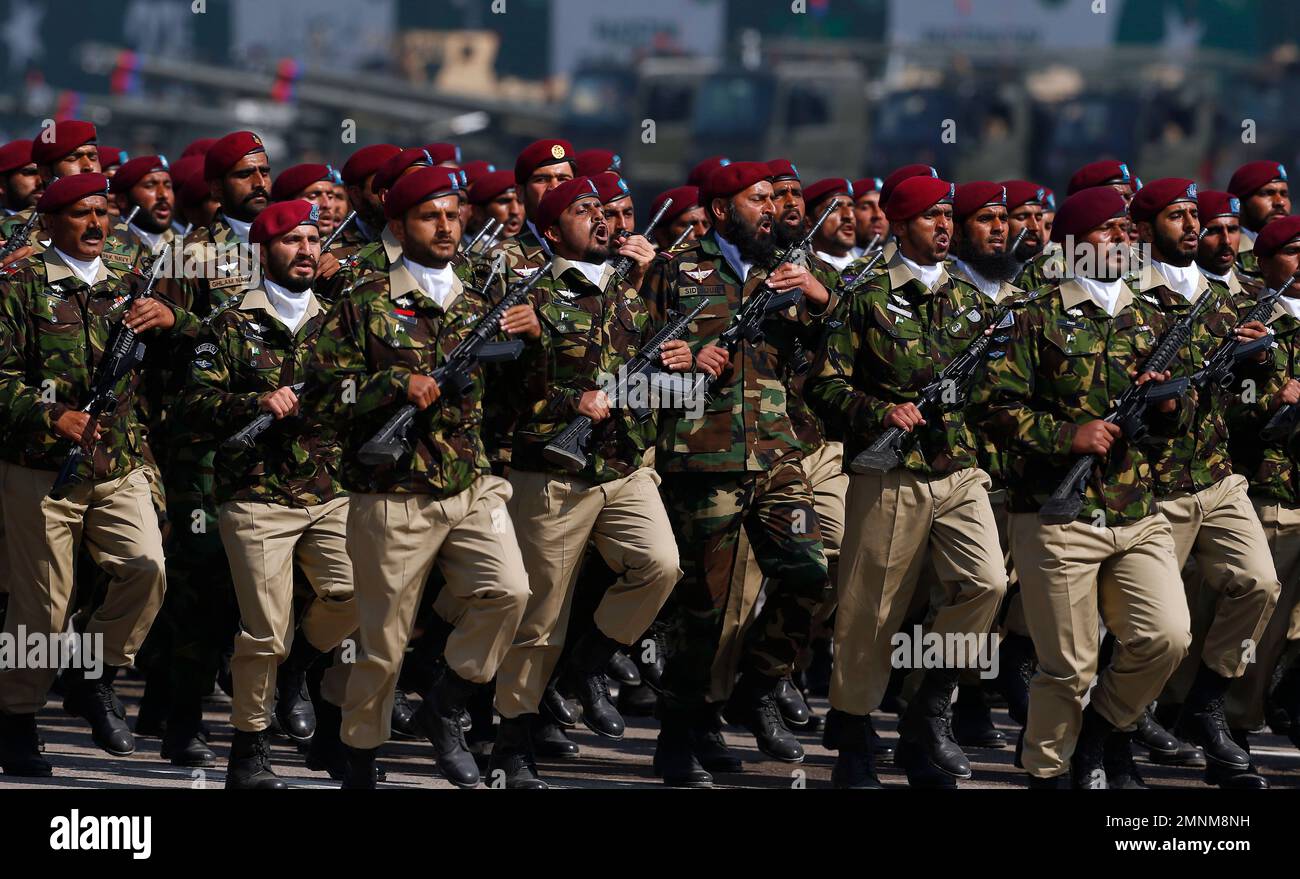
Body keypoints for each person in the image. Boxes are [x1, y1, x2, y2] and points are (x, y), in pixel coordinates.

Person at [307, 167, 531, 789]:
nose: (446, 227)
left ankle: (447, 705)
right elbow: (323, 389)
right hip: (393, 493)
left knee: (509, 592)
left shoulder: (484, 297)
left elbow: (518, 393)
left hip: (470, 481)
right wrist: (392, 385)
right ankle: (359, 755)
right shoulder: (363, 295)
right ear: (400, 225)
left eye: (454, 215)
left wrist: (533, 341)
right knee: (382, 644)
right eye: (431, 216)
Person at [980, 186, 1192, 788]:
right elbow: (993, 407)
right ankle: (1048, 772)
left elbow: (1182, 418)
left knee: (1166, 638)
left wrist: (1172, 402)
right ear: (1074, 244)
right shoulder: (1032, 313)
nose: (1126, 239)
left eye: (1129, 229)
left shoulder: (1154, 315)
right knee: (1068, 666)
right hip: (1059, 514)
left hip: (1135, 507)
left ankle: (1105, 732)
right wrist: (1067, 434)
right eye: (1110, 230)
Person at [807, 176, 1009, 789]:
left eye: (949, 215)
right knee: (873, 611)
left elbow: (990, 391)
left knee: (986, 583)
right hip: (891, 475)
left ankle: (928, 705)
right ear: (899, 224)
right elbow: (824, 383)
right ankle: (853, 735)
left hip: (958, 469)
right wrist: (878, 412)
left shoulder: (971, 299)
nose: (945, 226)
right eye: (930, 217)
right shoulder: (863, 293)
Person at [486, 176, 686, 788]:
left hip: (622, 466)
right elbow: (499, 402)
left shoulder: (630, 294)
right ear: (551, 231)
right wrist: (575, 399)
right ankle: (512, 742)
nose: (601, 220)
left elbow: (657, 388)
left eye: (603, 210)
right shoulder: (530, 298)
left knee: (660, 565)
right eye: (582, 212)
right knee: (538, 618)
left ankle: (589, 662)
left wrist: (678, 366)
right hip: (551, 475)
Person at [640, 161, 833, 787]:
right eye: (758, 200)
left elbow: (839, 354)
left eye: (775, 200)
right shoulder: (675, 272)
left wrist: (819, 302)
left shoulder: (793, 273)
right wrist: (687, 361)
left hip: (779, 455)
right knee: (704, 611)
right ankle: (681, 733)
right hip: (705, 460)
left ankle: (761, 683)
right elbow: (628, 367)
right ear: (722, 210)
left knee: (813, 571)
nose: (772, 209)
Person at [0, 174, 178, 775]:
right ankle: (15, 717)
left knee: (146, 569)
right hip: (41, 469)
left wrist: (173, 319)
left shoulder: (131, 281)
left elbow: (205, 348)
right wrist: (50, 414)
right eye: (81, 214)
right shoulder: (19, 284)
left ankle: (94, 670)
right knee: (43, 609)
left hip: (118, 462)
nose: (97, 224)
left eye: (103, 212)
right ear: (49, 222)